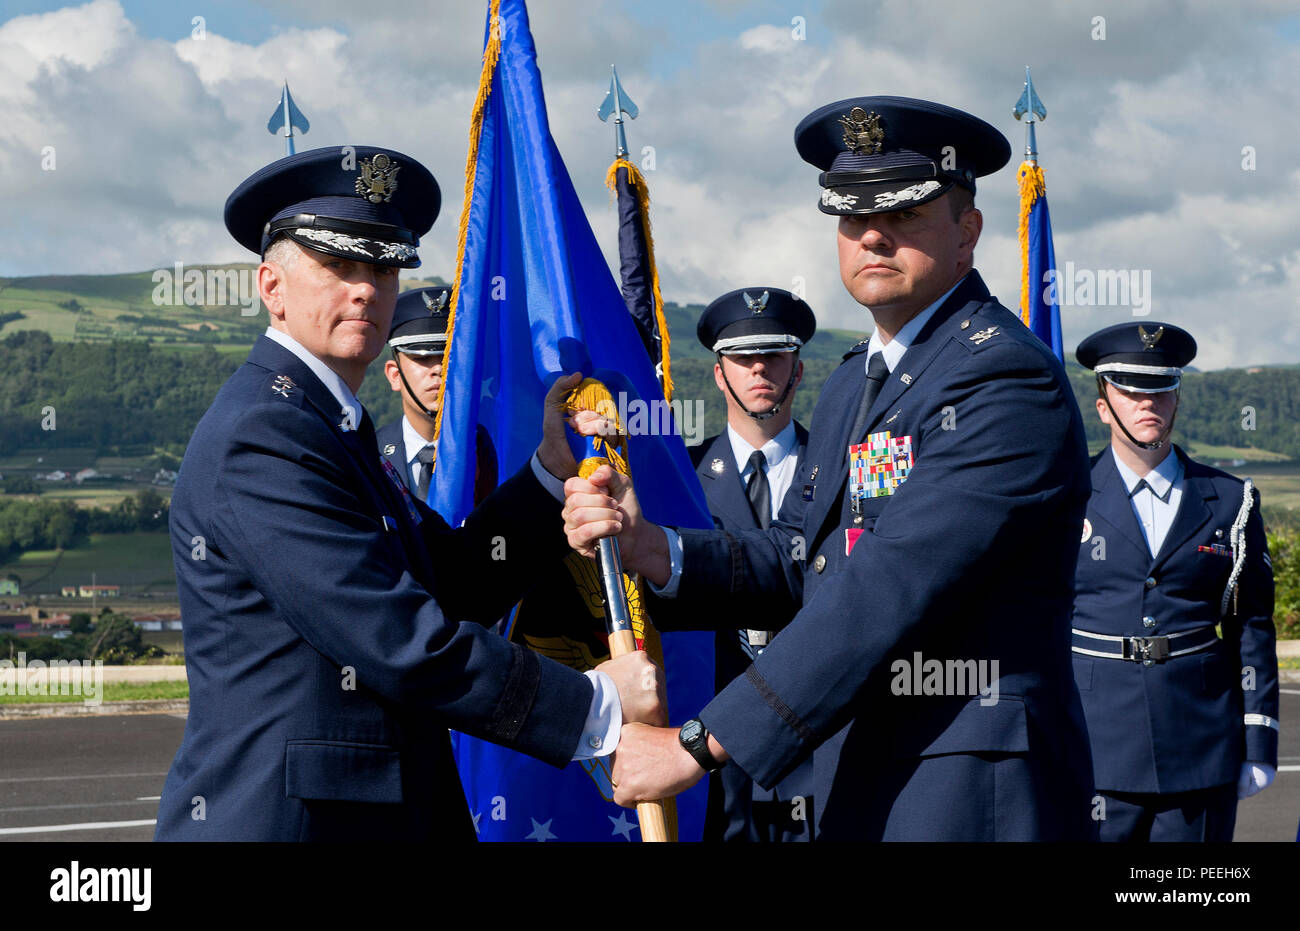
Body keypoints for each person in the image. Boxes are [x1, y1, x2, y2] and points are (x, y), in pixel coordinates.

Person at [564, 96, 1097, 840]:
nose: (873, 234)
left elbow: (886, 585)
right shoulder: (854, 380)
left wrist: (697, 743)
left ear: (968, 231)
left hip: (970, 790)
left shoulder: (1006, 380)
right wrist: (656, 545)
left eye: (904, 213)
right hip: (861, 773)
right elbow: (800, 558)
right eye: (852, 215)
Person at [156, 145, 661, 841]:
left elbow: (447, 578)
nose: (365, 289)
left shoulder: (324, 422)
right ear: (271, 286)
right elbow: (399, 638)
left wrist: (548, 473)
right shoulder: (265, 436)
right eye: (338, 266)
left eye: (383, 267)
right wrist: (595, 705)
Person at [1072, 322, 1279, 842]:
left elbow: (1251, 625)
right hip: (1093, 744)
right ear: (1103, 405)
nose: (1149, 403)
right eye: (1131, 391)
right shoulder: (1065, 496)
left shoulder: (1231, 500)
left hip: (1200, 743)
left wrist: (1258, 739)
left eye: (1161, 389)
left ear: (1177, 398)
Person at [689, 287, 816, 841]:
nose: (759, 368)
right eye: (742, 358)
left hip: (816, 722)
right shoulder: (683, 481)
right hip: (711, 725)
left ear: (799, 369)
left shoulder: (843, 475)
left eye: (774, 355)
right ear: (720, 374)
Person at [376, 286, 498, 506]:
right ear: (394, 375)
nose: (438, 369)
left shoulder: (499, 451)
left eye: (449, 357)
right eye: (421, 358)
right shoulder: (368, 454)